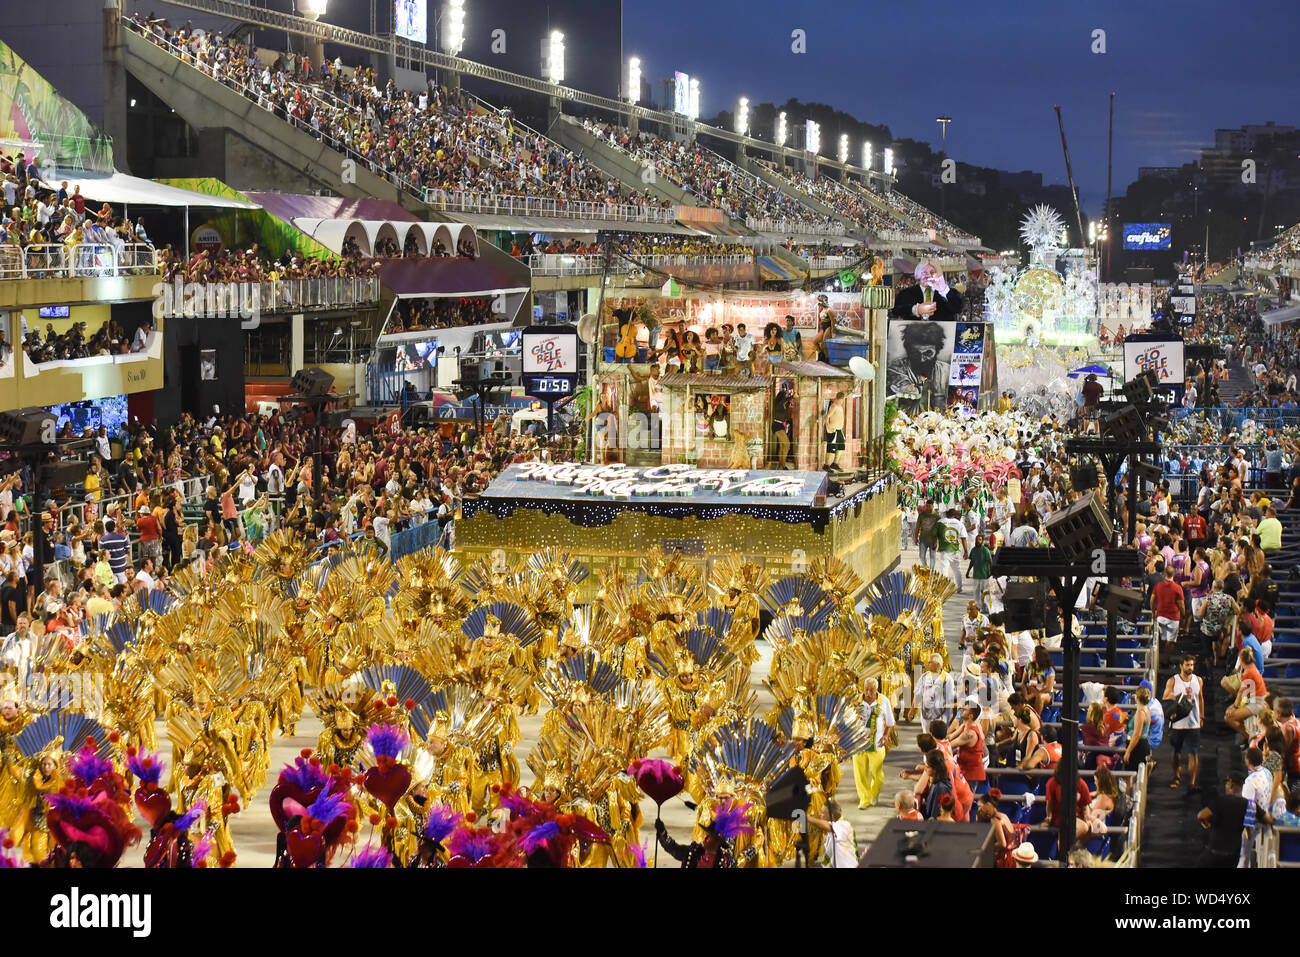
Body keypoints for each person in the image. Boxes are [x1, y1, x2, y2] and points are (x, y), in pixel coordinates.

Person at [886, 321, 950, 413]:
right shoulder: (896, 368)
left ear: (937, 350)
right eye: (916, 354)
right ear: (909, 352)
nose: (922, 359)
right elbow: (906, 389)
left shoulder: (946, 371)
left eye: (928, 353)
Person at [852, 678, 893, 809]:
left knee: (878, 775)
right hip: (858, 746)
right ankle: (864, 800)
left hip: (877, 745)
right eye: (866, 689)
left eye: (871, 690)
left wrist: (886, 736)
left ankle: (873, 793)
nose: (868, 692)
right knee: (860, 775)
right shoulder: (855, 702)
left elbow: (890, 723)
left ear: (877, 689)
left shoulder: (884, 701)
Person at [1196, 772, 1248, 868]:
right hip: (1232, 855)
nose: (1226, 786)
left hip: (1215, 853)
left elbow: (1201, 815)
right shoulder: (1248, 804)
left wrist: (1205, 823)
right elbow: (1266, 819)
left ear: (1231, 784)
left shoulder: (1221, 801)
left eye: (1227, 783)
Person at [890, 261, 964, 323]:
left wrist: (944, 290)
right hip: (913, 335)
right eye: (924, 272)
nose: (928, 275)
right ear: (918, 275)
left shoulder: (947, 292)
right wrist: (916, 309)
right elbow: (895, 310)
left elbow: (958, 308)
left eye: (932, 273)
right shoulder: (906, 293)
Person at [807, 800, 856, 868]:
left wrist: (808, 818)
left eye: (822, 813)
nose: (820, 814)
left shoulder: (844, 825)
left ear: (831, 816)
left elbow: (828, 826)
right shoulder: (833, 832)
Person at [1150, 565, 1184, 662]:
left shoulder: (1158, 586)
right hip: (1173, 617)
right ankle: (1166, 660)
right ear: (1174, 574)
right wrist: (1184, 616)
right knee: (1171, 641)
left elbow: (1152, 600)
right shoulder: (1177, 588)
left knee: (1163, 639)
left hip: (1161, 615)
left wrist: (1153, 612)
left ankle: (1160, 660)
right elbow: (1181, 605)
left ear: (1164, 574)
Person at [935, 508, 968, 591]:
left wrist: (933, 544)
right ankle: (959, 587)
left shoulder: (940, 522)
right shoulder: (959, 524)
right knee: (957, 569)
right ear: (955, 515)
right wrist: (966, 551)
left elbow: (933, 534)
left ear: (946, 514)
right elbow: (963, 538)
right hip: (955, 549)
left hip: (944, 549)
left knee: (944, 568)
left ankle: (944, 588)